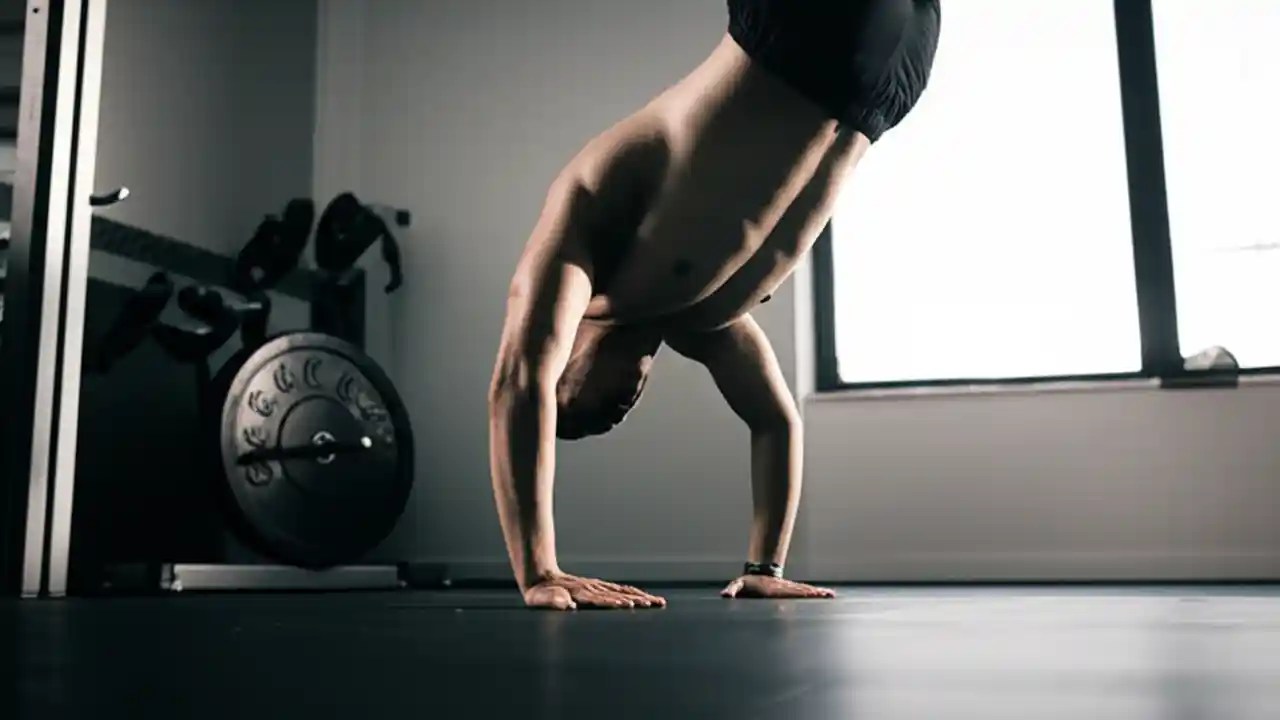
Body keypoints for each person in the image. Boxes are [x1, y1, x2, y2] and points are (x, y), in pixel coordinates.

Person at [488, 0, 941, 610]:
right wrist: (764, 564)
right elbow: (774, 421)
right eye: (604, 423)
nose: (610, 415)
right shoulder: (700, 317)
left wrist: (538, 571)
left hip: (799, 32)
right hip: (887, 86)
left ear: (565, 360)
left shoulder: (585, 246)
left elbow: (518, 382)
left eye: (580, 409)